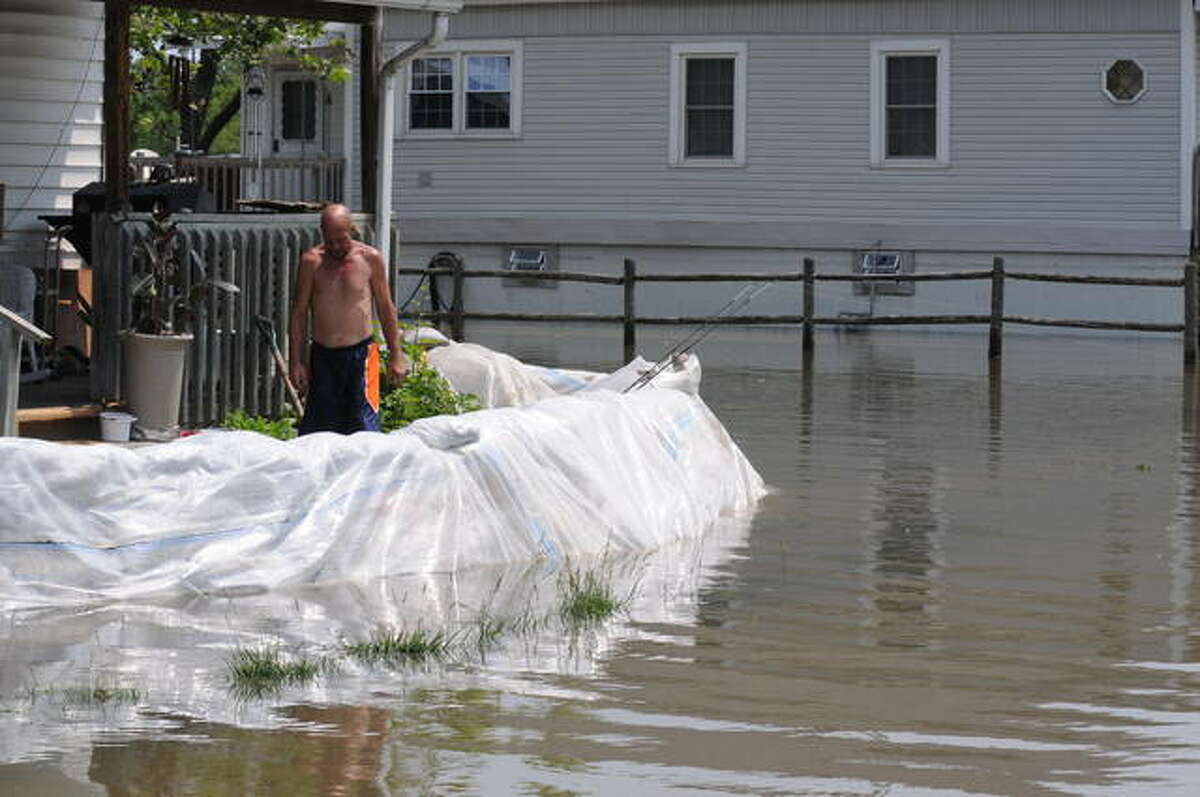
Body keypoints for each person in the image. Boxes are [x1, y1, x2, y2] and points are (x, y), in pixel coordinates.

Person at [288, 204, 407, 435]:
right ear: (322, 233)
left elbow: (385, 307)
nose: (335, 247)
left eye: (341, 240)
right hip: (323, 357)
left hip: (362, 356)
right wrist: (296, 362)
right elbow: (299, 313)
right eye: (330, 240)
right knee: (318, 433)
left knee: (365, 428)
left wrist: (396, 354)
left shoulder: (370, 258)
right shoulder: (312, 262)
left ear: (351, 229)